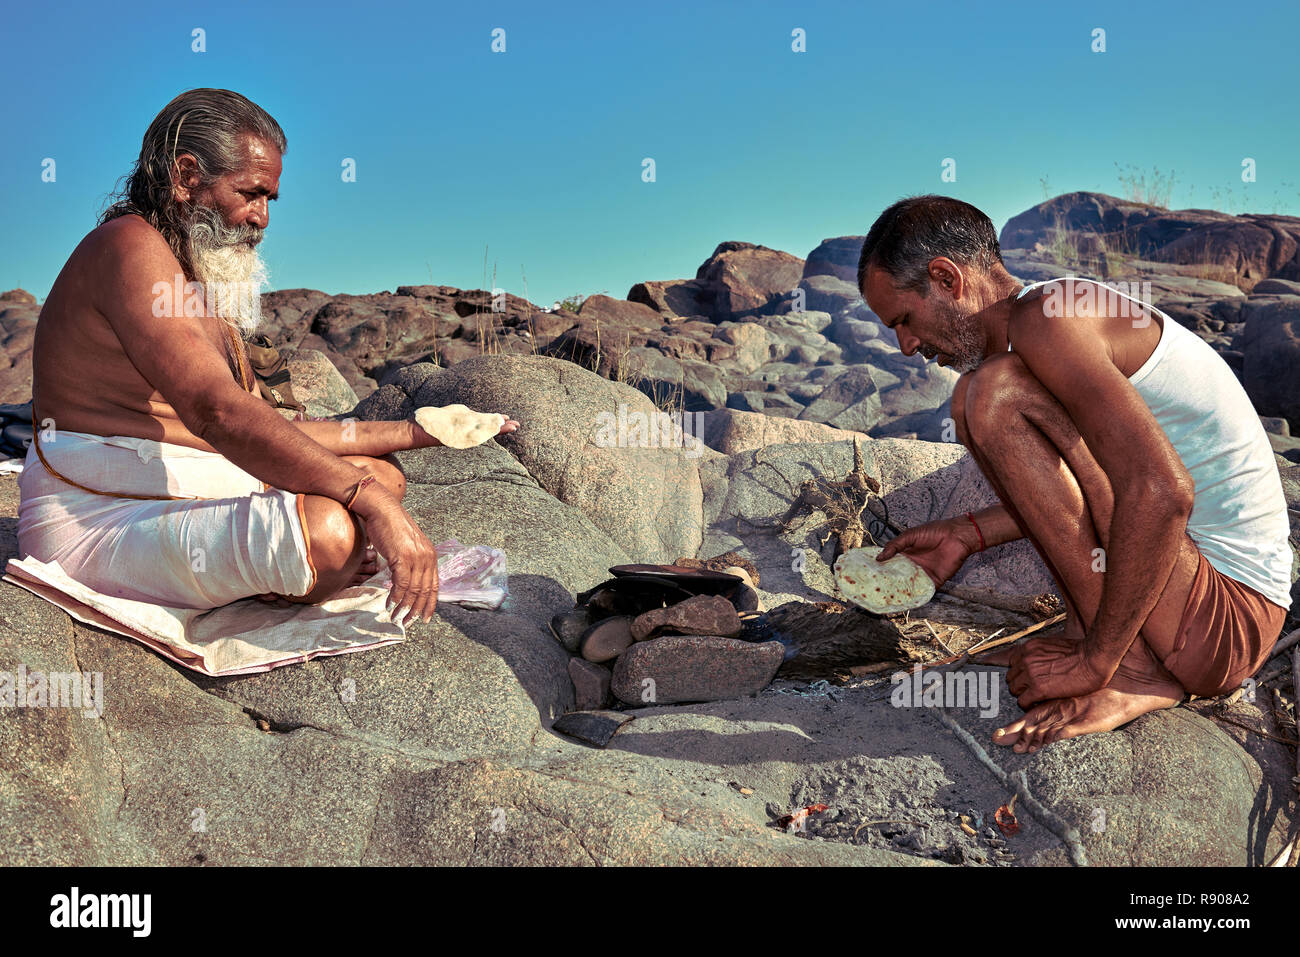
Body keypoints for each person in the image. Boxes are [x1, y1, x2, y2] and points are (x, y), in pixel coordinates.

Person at [18, 88, 518, 626]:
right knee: (330, 530)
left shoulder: (193, 277)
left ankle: (280, 574)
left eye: (270, 200)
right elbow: (217, 412)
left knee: (384, 476)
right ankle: (286, 575)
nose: (262, 218)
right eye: (251, 193)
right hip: (101, 515)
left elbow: (276, 428)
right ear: (186, 177)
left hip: (184, 482)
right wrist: (368, 502)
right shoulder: (128, 248)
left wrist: (420, 432)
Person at [860, 194, 1292, 753]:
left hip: (1228, 622)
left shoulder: (1049, 320)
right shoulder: (1045, 320)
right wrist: (968, 534)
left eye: (904, 320)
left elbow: (1162, 493)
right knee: (976, 394)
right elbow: (1092, 479)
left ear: (946, 279)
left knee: (991, 394)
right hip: (1196, 602)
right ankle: (1104, 637)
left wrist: (1098, 662)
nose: (906, 346)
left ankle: (1131, 668)